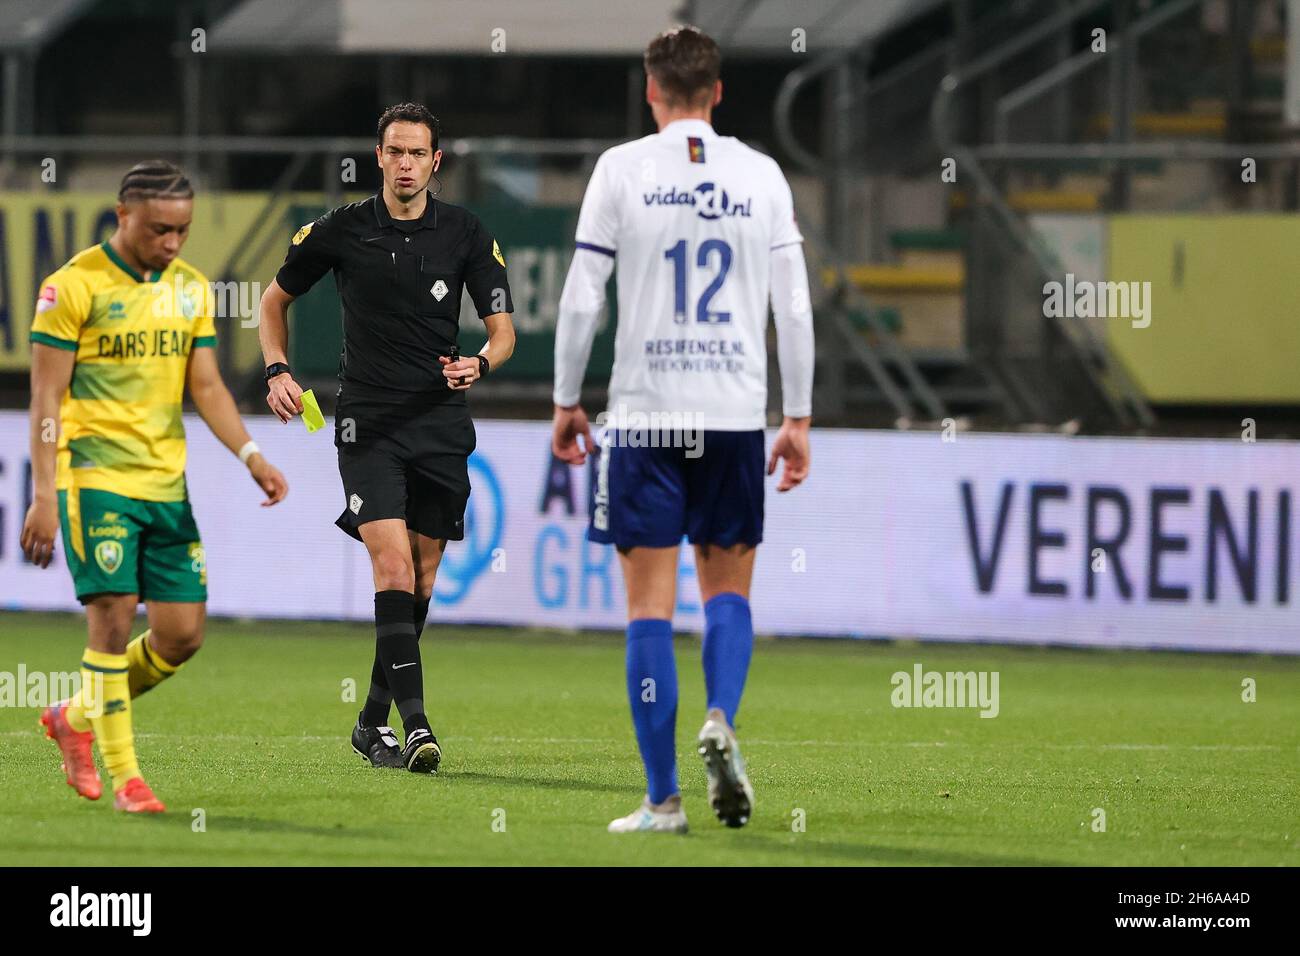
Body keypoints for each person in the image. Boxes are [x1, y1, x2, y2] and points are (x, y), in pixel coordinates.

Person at [552, 27, 815, 833]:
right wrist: (796, 415)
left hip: (645, 415)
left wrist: (567, 400)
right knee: (729, 589)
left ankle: (663, 798)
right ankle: (721, 718)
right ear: (720, 91)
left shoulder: (620, 170)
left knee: (648, 610)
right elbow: (794, 306)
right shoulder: (761, 174)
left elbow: (581, 297)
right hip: (734, 417)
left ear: (651, 89)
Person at [22, 160, 289, 813]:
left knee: (181, 635)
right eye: (159, 230)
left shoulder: (192, 289)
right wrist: (44, 491)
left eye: (183, 231)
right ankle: (128, 779)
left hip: (166, 485)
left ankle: (73, 718)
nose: (172, 244)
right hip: (96, 477)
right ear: (123, 216)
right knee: (111, 621)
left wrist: (251, 454)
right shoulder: (71, 287)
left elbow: (205, 387)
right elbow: (46, 396)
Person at [258, 103, 516, 774]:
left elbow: (504, 330)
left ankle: (370, 721)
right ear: (378, 157)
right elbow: (272, 301)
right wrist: (277, 369)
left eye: (417, 153)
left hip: (441, 424)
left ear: (436, 162)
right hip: (365, 424)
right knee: (393, 567)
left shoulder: (465, 233)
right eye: (394, 151)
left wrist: (482, 361)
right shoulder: (341, 230)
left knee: (422, 578)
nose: (404, 164)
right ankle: (418, 727)